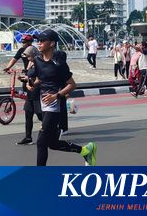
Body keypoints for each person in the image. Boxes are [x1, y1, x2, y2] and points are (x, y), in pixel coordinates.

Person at [25, 29, 96, 166]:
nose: (38, 43)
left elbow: (72, 85)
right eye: (38, 41)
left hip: (55, 106)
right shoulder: (38, 60)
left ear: (52, 44)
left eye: (42, 41)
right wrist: (33, 84)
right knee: (52, 144)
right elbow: (41, 78)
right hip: (43, 104)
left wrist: (56, 95)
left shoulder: (59, 64)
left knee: (41, 142)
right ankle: (86, 151)